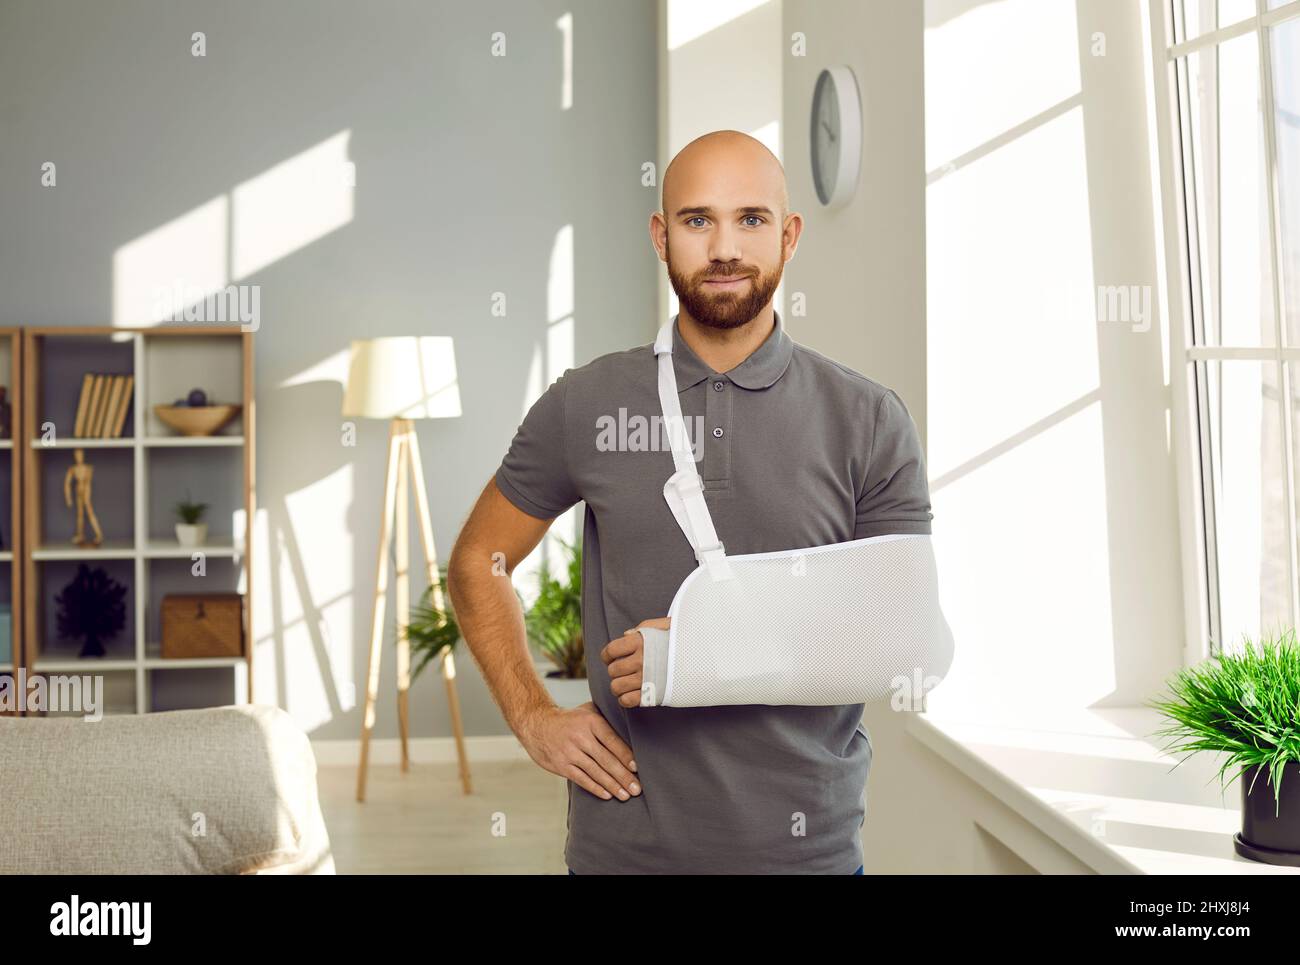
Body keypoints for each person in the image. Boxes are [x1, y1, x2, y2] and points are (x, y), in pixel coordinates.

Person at [447, 130, 933, 874]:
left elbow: (900, 639)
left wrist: (699, 651)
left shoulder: (867, 418)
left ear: (790, 236)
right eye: (697, 220)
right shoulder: (588, 404)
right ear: (660, 235)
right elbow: (478, 562)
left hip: (809, 855)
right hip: (626, 854)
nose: (725, 247)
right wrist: (533, 716)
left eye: (752, 219)